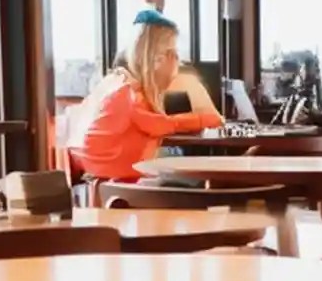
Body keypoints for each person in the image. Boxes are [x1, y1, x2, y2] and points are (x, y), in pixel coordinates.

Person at [72, 10, 222, 181]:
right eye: (173, 53)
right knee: (202, 179)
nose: (178, 61)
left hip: (103, 178)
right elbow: (165, 125)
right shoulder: (128, 94)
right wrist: (203, 118)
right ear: (158, 59)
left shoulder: (115, 82)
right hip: (122, 183)